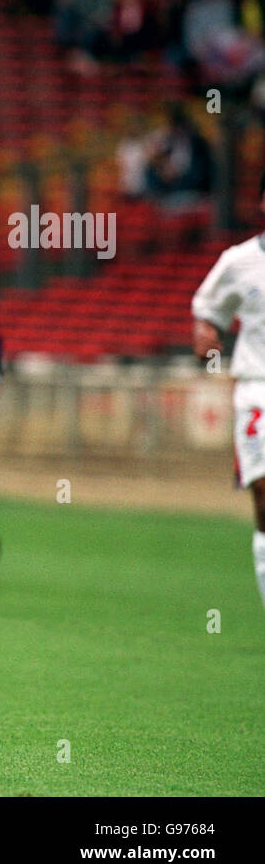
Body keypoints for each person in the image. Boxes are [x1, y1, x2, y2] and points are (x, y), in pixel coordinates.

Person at [192, 173, 265, 611]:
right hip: (259, 390)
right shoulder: (238, 262)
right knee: (263, 494)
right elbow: (208, 310)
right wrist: (206, 334)